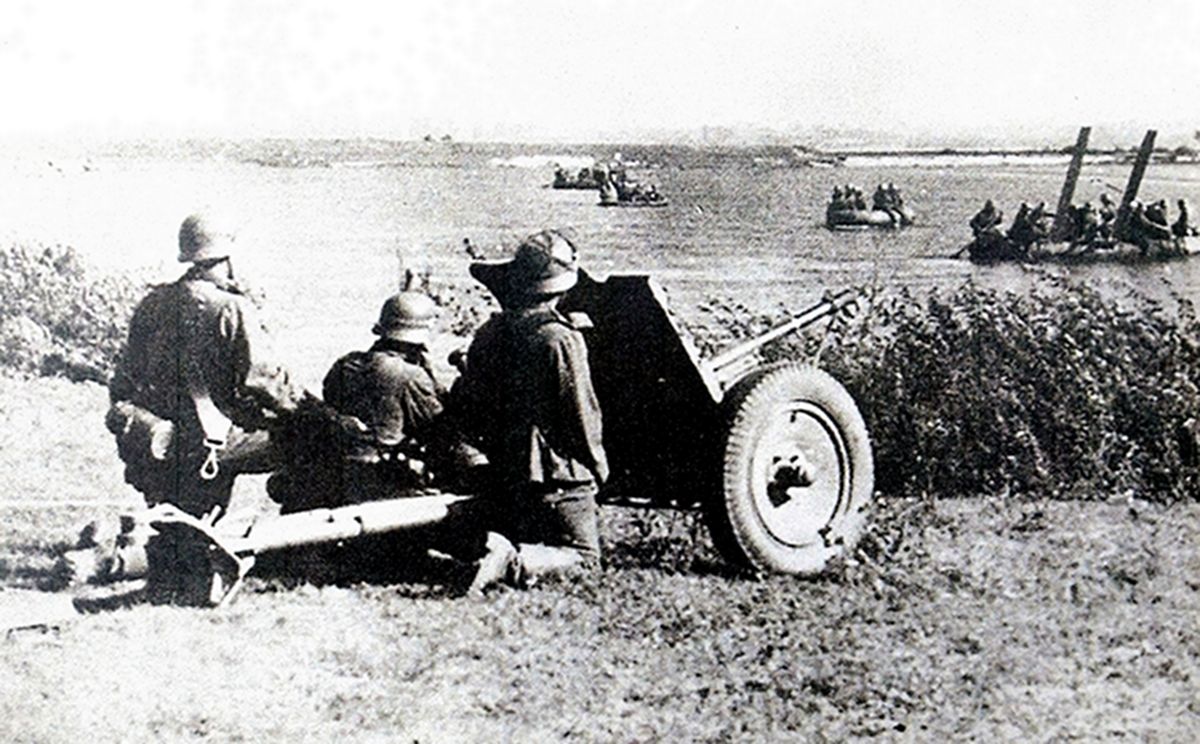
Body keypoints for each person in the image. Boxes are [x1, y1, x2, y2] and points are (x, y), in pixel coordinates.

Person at [107, 212, 301, 521]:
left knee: (178, 525)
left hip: (161, 434)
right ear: (227, 258)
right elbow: (264, 381)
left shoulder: (153, 303)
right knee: (311, 439)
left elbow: (124, 380)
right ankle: (300, 547)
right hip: (208, 440)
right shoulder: (231, 307)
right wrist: (309, 411)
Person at [449, 229, 608, 593]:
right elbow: (581, 413)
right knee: (586, 559)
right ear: (562, 287)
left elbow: (473, 402)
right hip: (555, 478)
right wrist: (596, 468)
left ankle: (504, 545)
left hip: (505, 472)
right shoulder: (561, 339)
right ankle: (513, 560)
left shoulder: (491, 332)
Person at [267, 278, 446, 512]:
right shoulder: (411, 375)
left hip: (334, 472)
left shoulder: (346, 364)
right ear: (420, 338)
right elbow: (440, 430)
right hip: (383, 480)